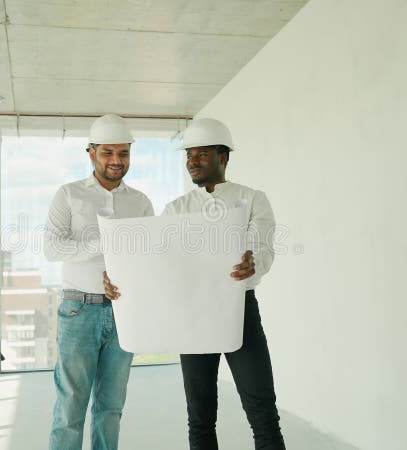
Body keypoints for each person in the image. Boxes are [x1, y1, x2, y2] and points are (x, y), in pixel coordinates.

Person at [103, 118, 285, 449]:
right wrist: (117, 276)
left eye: (201, 154)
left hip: (239, 311)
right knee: (200, 416)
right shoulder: (176, 209)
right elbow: (154, 262)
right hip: (192, 316)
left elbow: (263, 248)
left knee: (262, 411)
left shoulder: (253, 199)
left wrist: (252, 263)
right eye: (189, 156)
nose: (192, 162)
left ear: (223, 157)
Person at [45, 114, 154, 450]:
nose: (116, 161)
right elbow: (52, 247)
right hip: (79, 310)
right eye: (108, 152)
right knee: (71, 405)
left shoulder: (140, 202)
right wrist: (103, 243)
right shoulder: (69, 195)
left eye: (123, 153)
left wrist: (130, 279)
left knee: (111, 407)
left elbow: (150, 256)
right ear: (91, 152)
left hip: (124, 313)